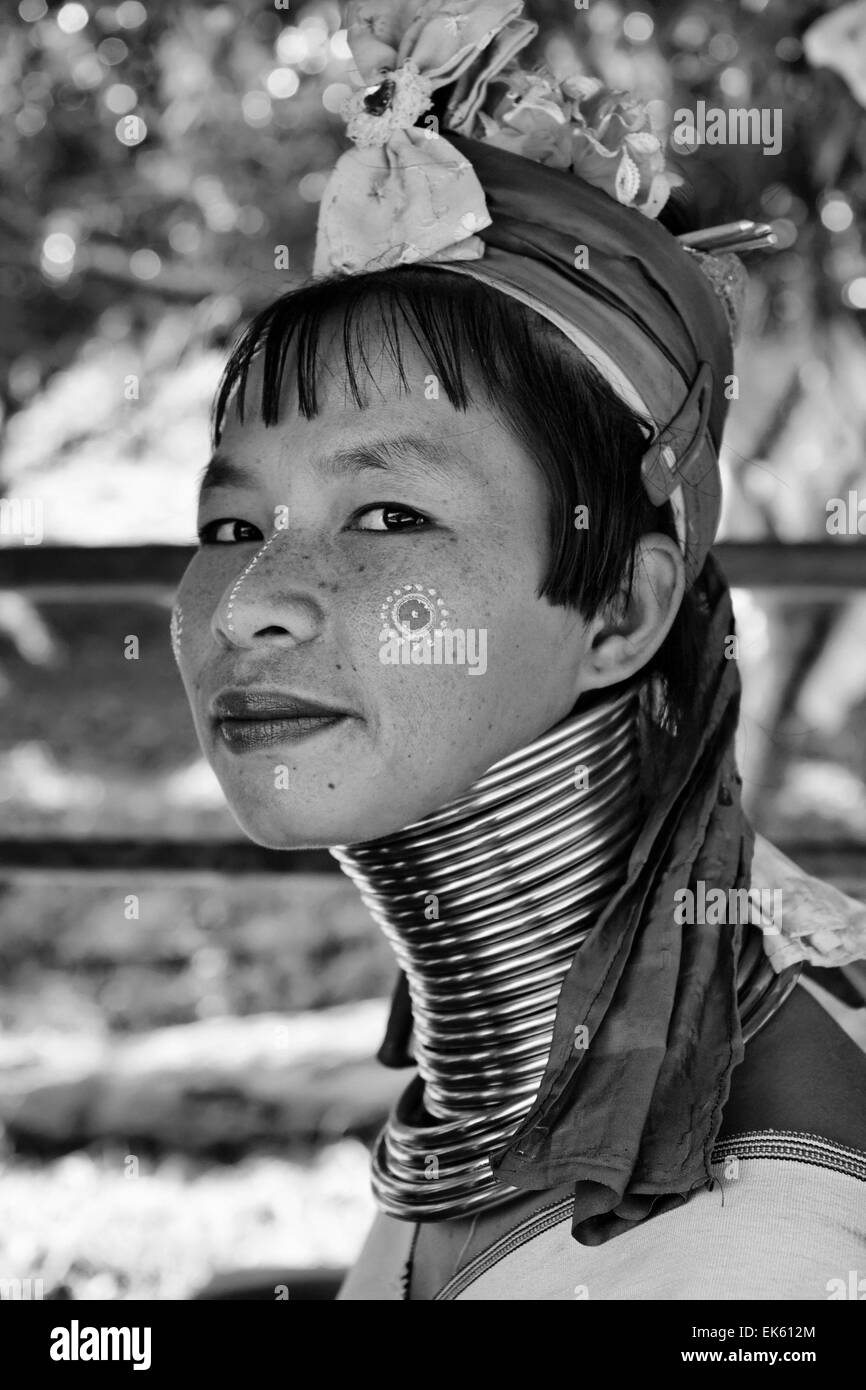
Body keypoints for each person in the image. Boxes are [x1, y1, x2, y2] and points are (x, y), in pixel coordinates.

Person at [171, 0, 866, 1299]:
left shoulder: (756, 1250)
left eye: (388, 514)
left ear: (622, 607)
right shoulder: (504, 1089)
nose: (248, 598)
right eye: (229, 519)